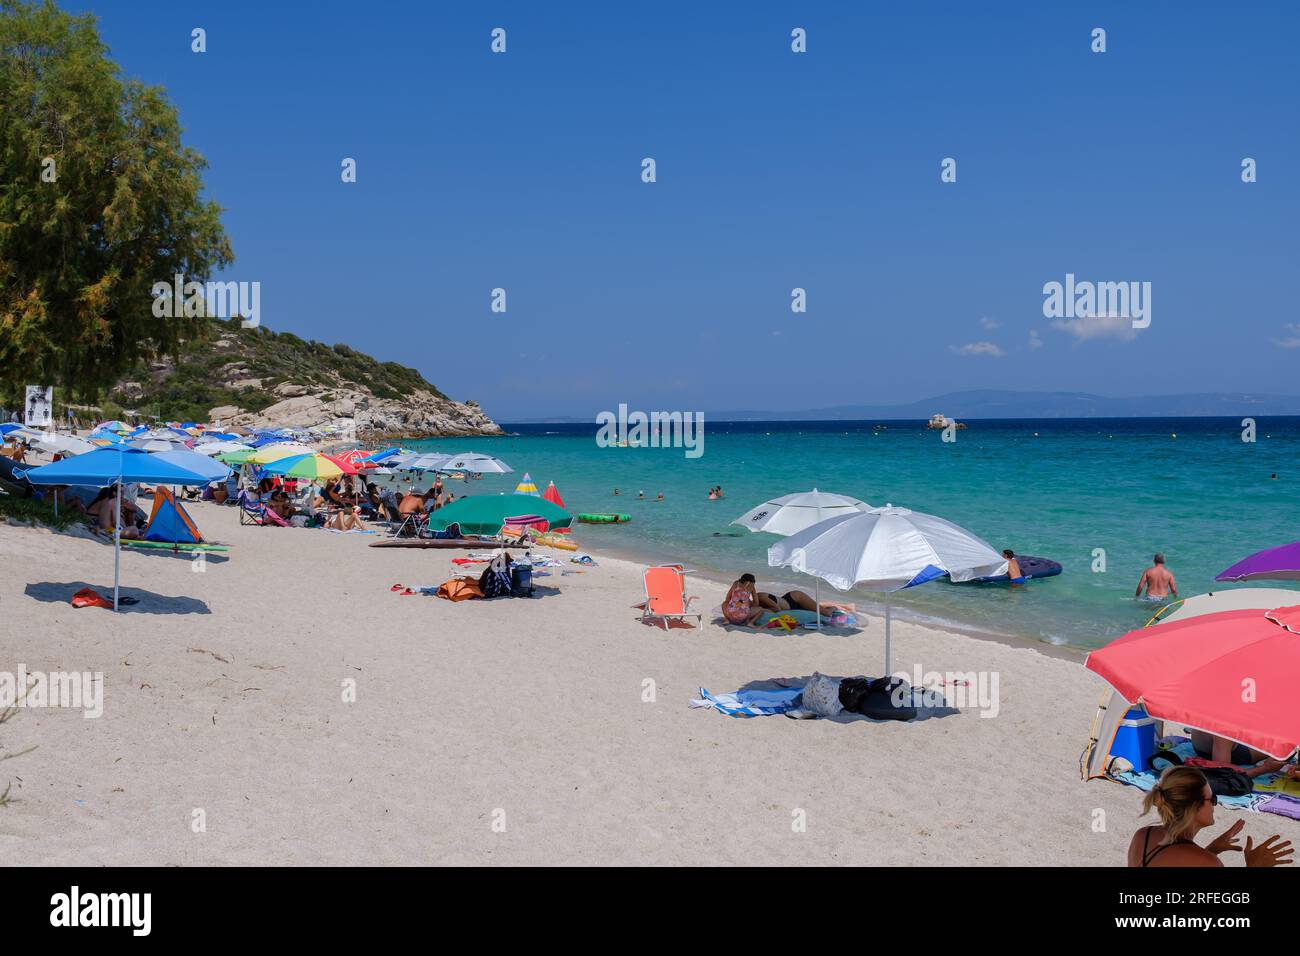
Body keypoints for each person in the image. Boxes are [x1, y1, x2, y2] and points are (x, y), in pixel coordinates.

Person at [1126, 766, 1292, 867]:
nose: (1215, 804)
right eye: (1212, 799)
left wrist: (1212, 850)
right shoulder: (1207, 863)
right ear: (1194, 807)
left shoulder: (1142, 836)